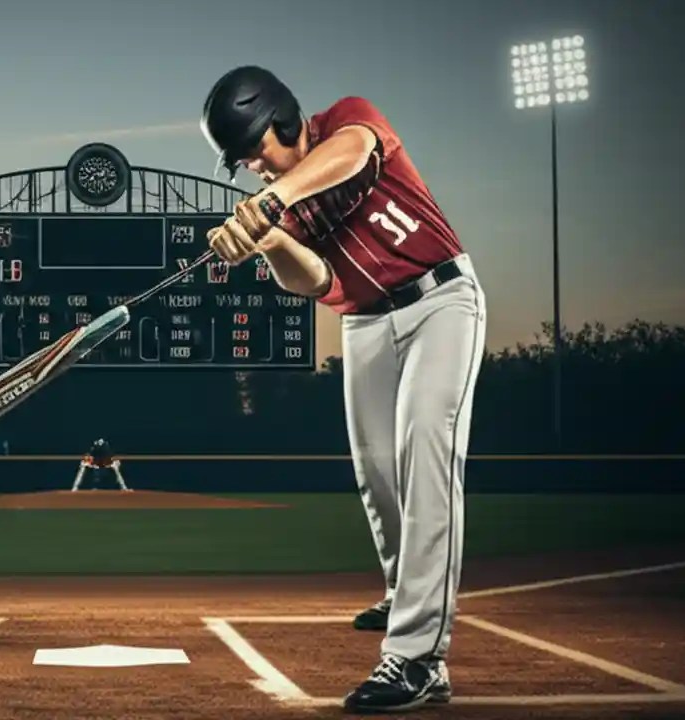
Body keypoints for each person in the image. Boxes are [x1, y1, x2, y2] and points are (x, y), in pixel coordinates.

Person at [200, 65, 486, 713]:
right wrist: (269, 239)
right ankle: (404, 591)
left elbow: (355, 153)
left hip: (439, 300)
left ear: (283, 119)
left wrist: (270, 205)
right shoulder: (280, 200)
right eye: (243, 162)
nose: (253, 167)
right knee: (377, 469)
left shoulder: (346, 121)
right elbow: (315, 282)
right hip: (364, 321)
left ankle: (417, 657)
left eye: (255, 150)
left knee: (425, 451)